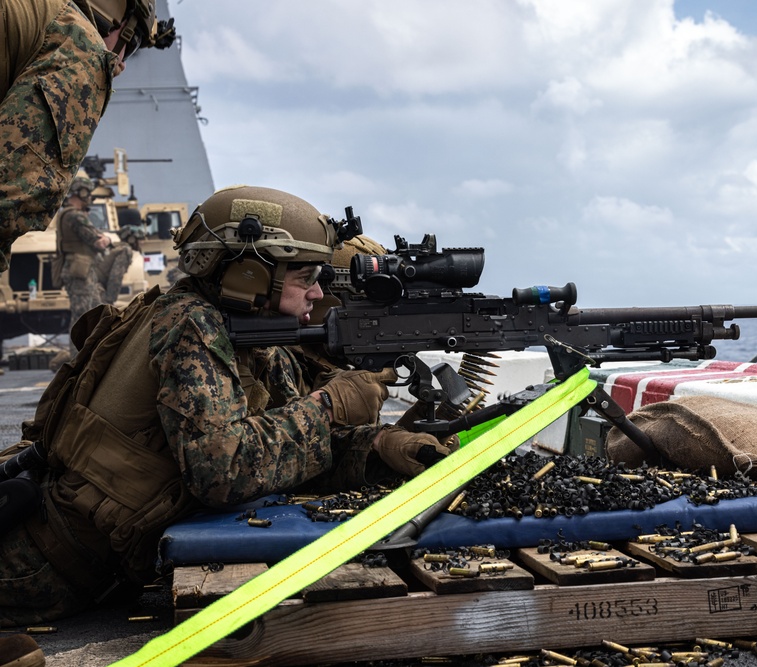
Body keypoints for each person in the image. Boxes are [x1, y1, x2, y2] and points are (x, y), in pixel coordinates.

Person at [0, 186, 451, 637]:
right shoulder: (190, 325)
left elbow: (281, 453)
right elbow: (223, 469)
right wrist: (330, 406)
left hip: (94, 569)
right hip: (38, 568)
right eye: (305, 276)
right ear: (252, 275)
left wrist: (377, 448)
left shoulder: (252, 337)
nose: (317, 292)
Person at [0, 0, 171, 275]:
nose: (123, 65)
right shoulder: (81, 45)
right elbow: (13, 197)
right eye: (133, 46)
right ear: (118, 22)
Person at [53, 174, 133, 350]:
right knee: (80, 318)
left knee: (93, 313)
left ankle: (88, 356)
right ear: (80, 192)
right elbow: (98, 241)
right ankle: (76, 362)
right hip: (79, 272)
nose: (89, 198)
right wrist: (107, 239)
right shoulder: (75, 216)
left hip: (84, 270)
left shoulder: (68, 214)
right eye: (88, 193)